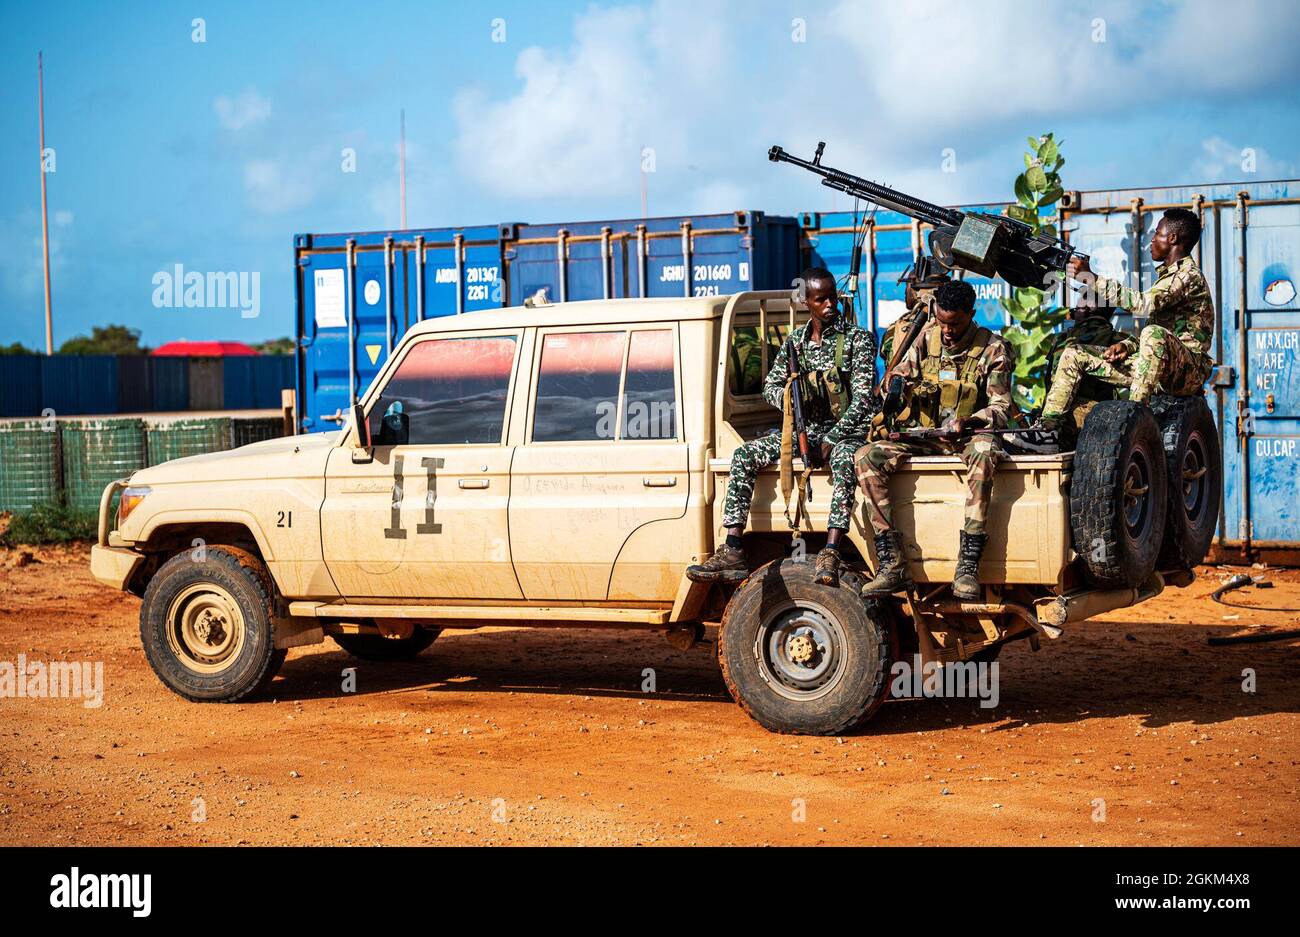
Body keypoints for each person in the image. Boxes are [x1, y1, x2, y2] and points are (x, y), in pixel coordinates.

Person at [687, 267, 878, 588]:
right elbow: (771, 388)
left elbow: (864, 402)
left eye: (833, 297)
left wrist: (832, 439)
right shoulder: (795, 344)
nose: (830, 304)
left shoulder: (858, 340)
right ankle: (733, 547)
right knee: (744, 455)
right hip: (805, 430)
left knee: (847, 459)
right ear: (806, 302)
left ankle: (831, 548)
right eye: (821, 299)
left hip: (846, 431)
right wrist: (793, 397)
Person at [854, 279, 1013, 600]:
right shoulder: (927, 338)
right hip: (924, 435)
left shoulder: (992, 349)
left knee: (984, 451)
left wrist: (971, 420)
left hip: (967, 437)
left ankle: (967, 566)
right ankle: (892, 564)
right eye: (941, 322)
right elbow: (901, 372)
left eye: (954, 323)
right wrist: (894, 386)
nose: (947, 331)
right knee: (866, 456)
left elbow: (1002, 407)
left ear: (971, 314)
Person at [1040, 208, 1214, 424]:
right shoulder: (1167, 277)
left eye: (1156, 233)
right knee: (1074, 353)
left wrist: (1092, 277)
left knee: (1152, 332)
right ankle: (1048, 428)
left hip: (1187, 373)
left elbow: (1144, 305)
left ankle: (1134, 422)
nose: (1151, 240)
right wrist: (1128, 346)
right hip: (1155, 368)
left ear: (1172, 238)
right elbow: (1157, 340)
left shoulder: (1187, 276)